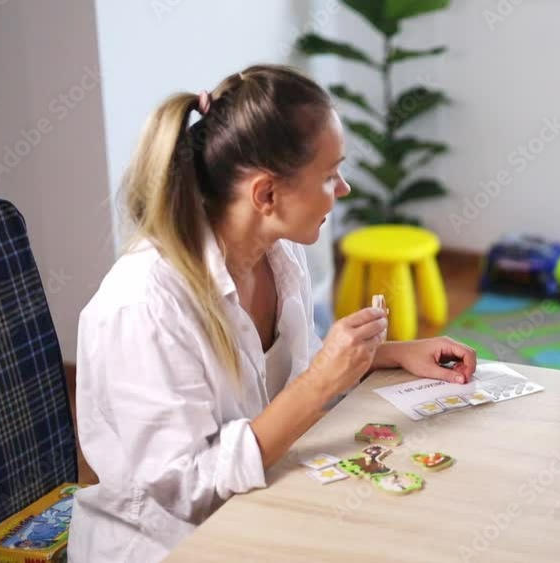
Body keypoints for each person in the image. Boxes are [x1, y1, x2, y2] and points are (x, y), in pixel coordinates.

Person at [69, 64, 476, 562]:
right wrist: (321, 382)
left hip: (264, 502)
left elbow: (285, 382)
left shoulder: (279, 256)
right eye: (329, 176)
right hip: (175, 546)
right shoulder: (142, 308)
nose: (343, 190)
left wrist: (387, 354)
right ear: (265, 194)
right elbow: (189, 493)